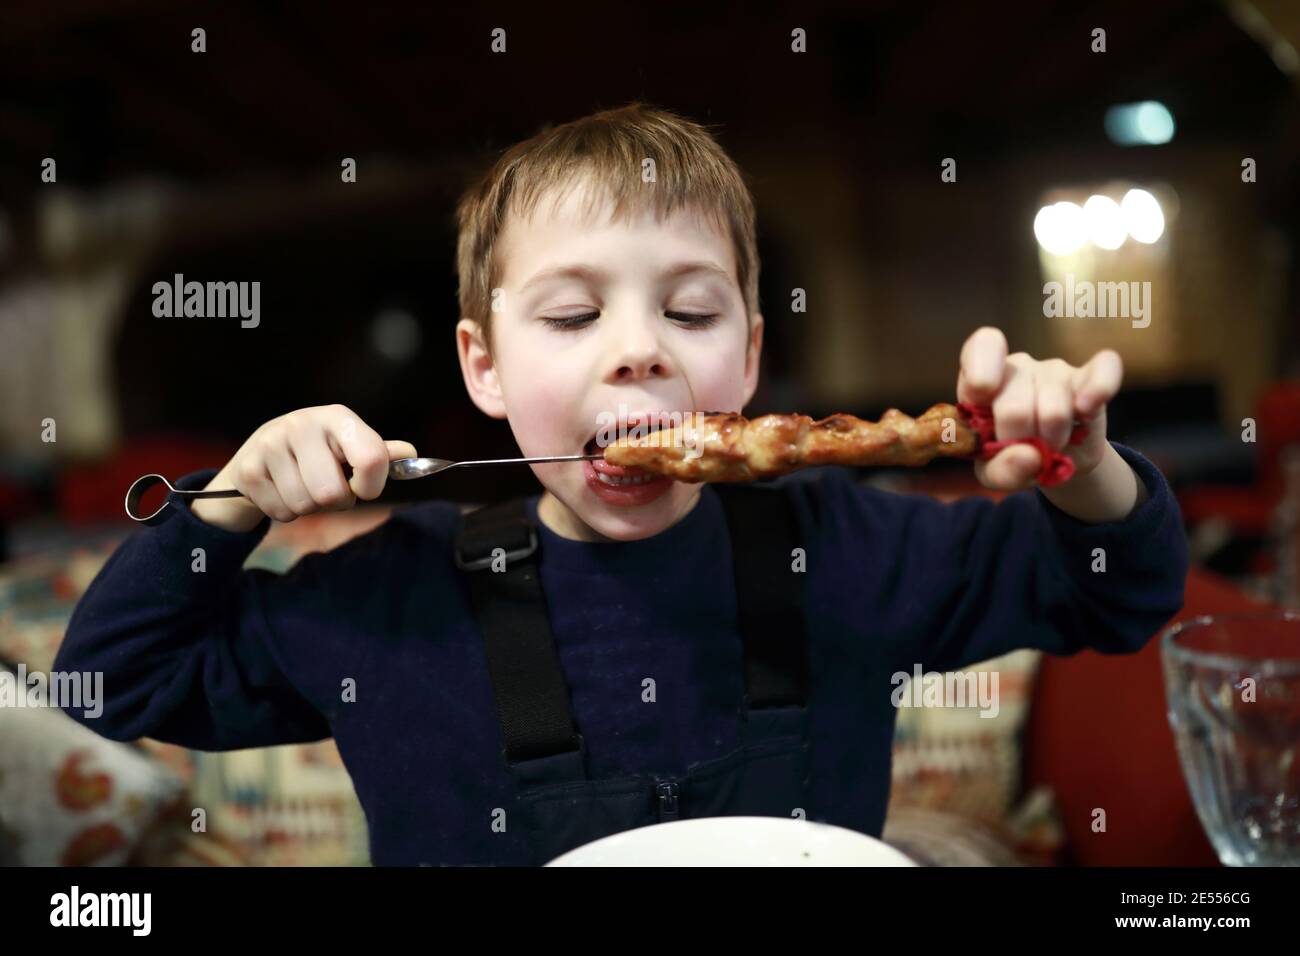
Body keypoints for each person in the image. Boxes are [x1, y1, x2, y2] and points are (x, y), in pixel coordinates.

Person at [54, 103, 1187, 865]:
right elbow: (110, 689)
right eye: (572, 313)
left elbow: (1113, 590)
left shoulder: (841, 547)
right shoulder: (387, 598)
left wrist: (1080, 465)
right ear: (483, 366)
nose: (642, 348)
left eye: (690, 310)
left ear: (745, 357)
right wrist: (229, 505)